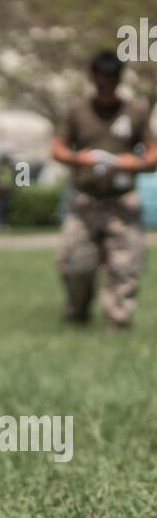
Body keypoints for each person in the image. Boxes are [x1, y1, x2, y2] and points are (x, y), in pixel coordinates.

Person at [52, 49, 157, 329]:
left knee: (126, 267)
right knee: (76, 265)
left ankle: (118, 322)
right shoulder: (77, 110)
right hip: (85, 200)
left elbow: (153, 155)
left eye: (111, 80)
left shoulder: (136, 111)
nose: (105, 87)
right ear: (93, 78)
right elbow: (57, 148)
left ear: (119, 79)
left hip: (122, 201)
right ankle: (78, 313)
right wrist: (78, 158)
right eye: (100, 81)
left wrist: (132, 163)